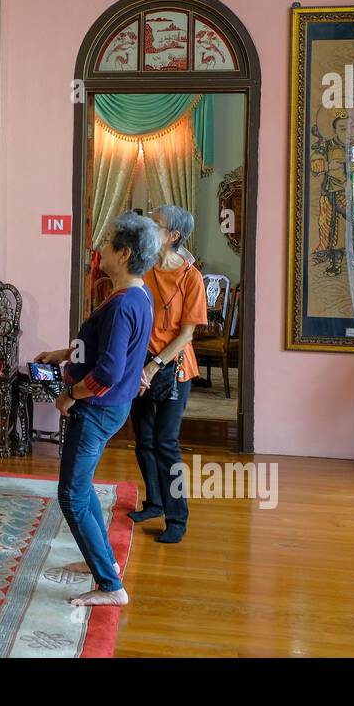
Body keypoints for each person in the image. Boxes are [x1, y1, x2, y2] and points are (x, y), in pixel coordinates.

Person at [34, 212, 161, 607]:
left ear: (123, 254)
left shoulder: (123, 304)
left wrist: (71, 393)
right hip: (113, 408)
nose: (100, 249)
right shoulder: (138, 295)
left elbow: (107, 372)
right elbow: (109, 351)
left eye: (107, 243)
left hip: (97, 409)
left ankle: (110, 585)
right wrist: (63, 353)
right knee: (81, 485)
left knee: (71, 495)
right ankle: (100, 562)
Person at [129, 205, 208, 544]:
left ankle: (177, 518)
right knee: (143, 440)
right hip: (140, 366)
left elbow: (186, 335)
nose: (148, 225)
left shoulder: (192, 278)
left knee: (165, 443)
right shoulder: (143, 267)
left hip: (173, 368)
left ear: (174, 235)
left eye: (155, 223)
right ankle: (154, 502)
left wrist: (153, 365)